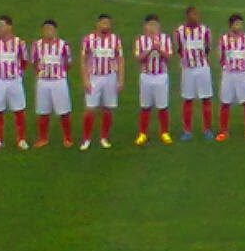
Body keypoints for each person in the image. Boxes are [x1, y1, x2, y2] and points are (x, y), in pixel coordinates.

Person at [0, 14, 30, 151]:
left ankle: (21, 139)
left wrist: (17, 72)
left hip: (14, 80)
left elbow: (24, 61)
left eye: (2, 25)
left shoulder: (19, 43)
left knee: (19, 110)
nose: (0, 28)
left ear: (9, 26)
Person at [79, 14, 124, 150]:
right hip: (94, 77)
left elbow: (120, 60)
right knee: (90, 109)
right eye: (103, 23)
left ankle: (104, 137)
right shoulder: (88, 39)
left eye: (108, 23)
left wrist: (120, 79)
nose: (106, 26)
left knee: (107, 108)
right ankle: (86, 139)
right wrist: (85, 79)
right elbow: (83, 60)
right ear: (97, 24)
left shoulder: (115, 40)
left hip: (110, 77)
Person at [30, 19, 73, 148]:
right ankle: (43, 138)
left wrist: (59, 72)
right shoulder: (36, 45)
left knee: (64, 111)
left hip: (59, 81)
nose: (48, 31)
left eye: (50, 29)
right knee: (43, 111)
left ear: (55, 30)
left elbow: (68, 62)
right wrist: (41, 72)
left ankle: (67, 138)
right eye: (45, 29)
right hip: (43, 81)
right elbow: (34, 62)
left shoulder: (63, 45)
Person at [175, 5, 215, 140]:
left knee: (206, 98)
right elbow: (179, 48)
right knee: (188, 99)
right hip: (188, 69)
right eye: (193, 15)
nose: (195, 17)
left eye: (197, 14)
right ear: (187, 16)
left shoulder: (205, 30)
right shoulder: (180, 31)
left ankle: (207, 129)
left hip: (203, 67)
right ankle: (187, 130)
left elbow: (208, 47)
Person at [133, 14, 174, 145]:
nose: (152, 28)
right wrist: (150, 49)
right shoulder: (140, 40)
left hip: (161, 76)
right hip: (146, 76)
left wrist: (159, 50)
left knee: (163, 106)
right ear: (145, 26)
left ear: (159, 27)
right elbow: (139, 58)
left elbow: (169, 57)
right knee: (145, 106)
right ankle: (143, 133)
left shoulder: (165, 39)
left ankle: (165, 132)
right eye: (150, 25)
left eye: (155, 25)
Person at [216, 13, 245, 141]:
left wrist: (243, 66)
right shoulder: (223, 39)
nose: (239, 26)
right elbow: (220, 56)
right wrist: (228, 66)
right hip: (228, 74)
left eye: (240, 23)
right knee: (225, 102)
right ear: (231, 25)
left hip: (243, 74)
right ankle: (223, 130)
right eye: (236, 23)